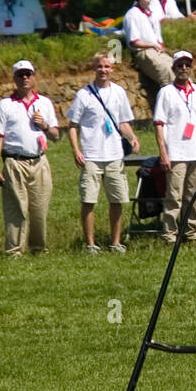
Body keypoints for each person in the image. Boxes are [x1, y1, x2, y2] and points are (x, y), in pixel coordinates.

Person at [68, 52, 140, 254]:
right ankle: (90, 244)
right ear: (94, 68)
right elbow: (73, 125)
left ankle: (115, 242)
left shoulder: (119, 92)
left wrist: (132, 137)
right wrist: (76, 150)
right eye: (100, 66)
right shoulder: (84, 95)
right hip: (91, 155)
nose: (103, 70)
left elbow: (122, 122)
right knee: (89, 200)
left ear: (112, 69)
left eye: (107, 66)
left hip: (114, 154)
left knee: (117, 200)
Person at [0, 60, 59, 255]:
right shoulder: (5, 105)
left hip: (39, 161)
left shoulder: (44, 103)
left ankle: (38, 249)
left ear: (34, 77)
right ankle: (14, 251)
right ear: (14, 78)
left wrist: (44, 125)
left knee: (40, 208)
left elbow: (55, 136)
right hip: (14, 162)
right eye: (20, 75)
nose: (25, 78)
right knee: (16, 209)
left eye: (28, 74)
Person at [153, 50, 196, 245]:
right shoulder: (166, 92)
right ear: (173, 68)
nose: (184, 68)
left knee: (193, 196)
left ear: (191, 68)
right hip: (176, 153)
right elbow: (159, 125)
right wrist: (164, 153)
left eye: (187, 65)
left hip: (195, 153)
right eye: (180, 65)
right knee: (174, 197)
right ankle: (170, 234)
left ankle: (191, 233)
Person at [122, 0, 173, 106]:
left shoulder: (152, 14)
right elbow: (134, 42)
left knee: (176, 68)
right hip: (143, 52)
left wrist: (160, 47)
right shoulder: (132, 15)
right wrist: (152, 45)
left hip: (156, 50)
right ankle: (170, 106)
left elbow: (158, 38)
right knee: (167, 73)